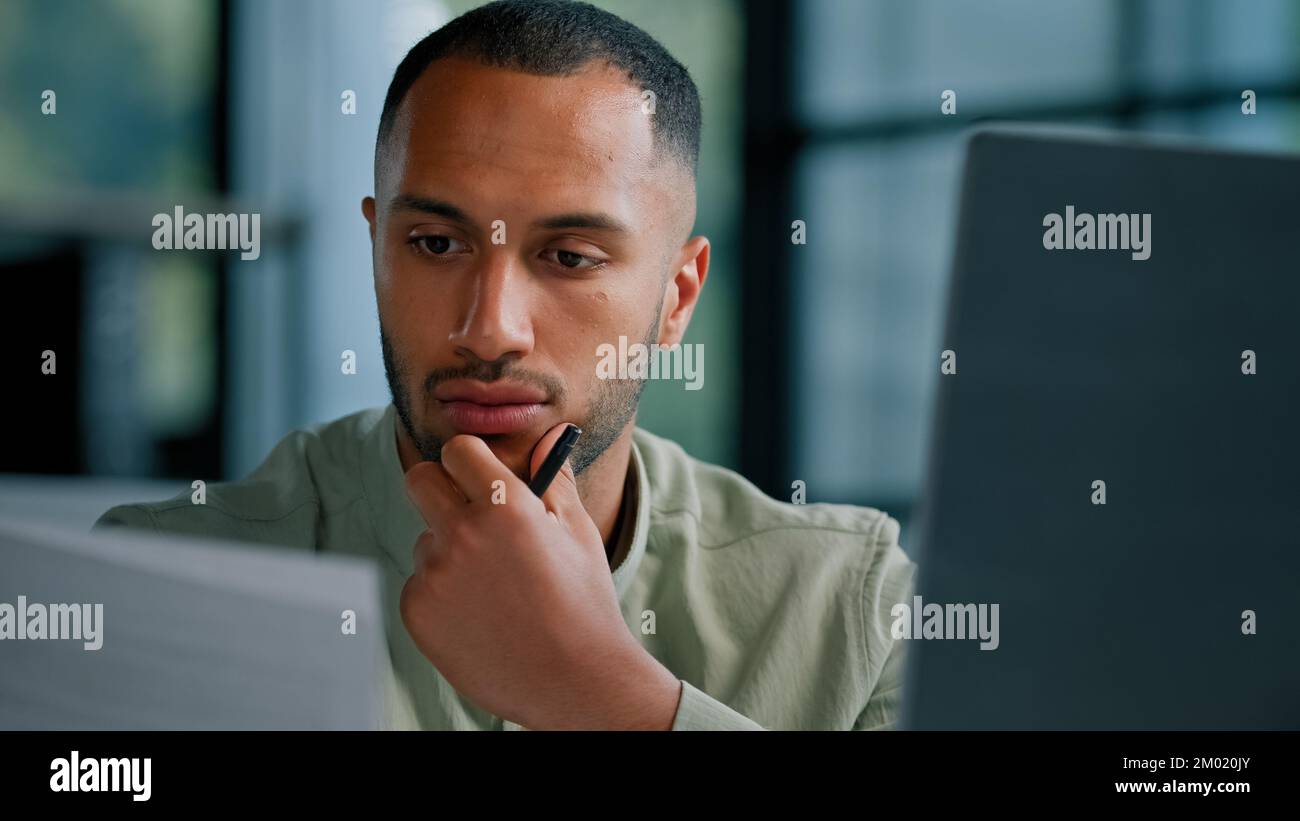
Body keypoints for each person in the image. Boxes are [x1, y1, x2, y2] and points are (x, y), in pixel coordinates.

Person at [96, 0, 914, 730]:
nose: (490, 331)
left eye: (568, 255)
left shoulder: (853, 605)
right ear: (376, 251)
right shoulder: (152, 586)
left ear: (676, 298)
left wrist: (606, 696)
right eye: (436, 244)